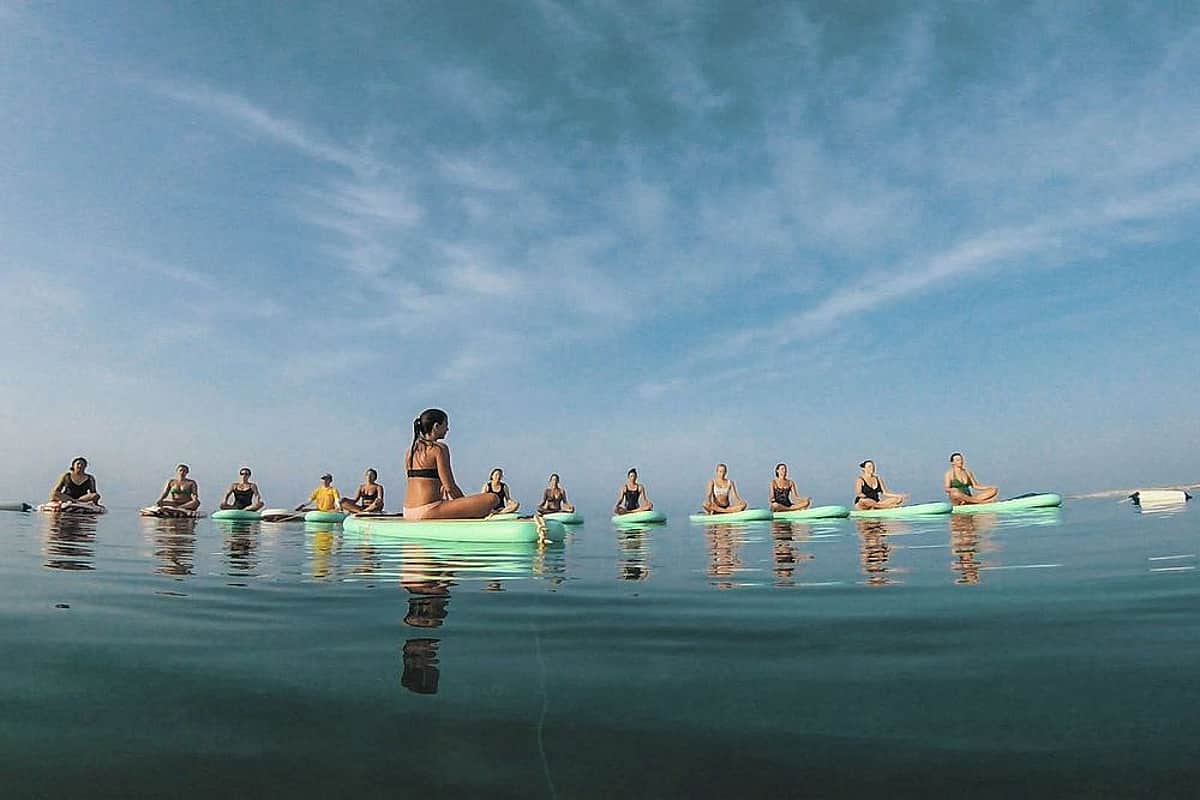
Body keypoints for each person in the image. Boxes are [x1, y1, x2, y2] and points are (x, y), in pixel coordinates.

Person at [403, 408, 519, 520]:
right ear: (436, 426)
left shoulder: (410, 452)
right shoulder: (439, 449)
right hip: (427, 511)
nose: (447, 429)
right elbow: (450, 487)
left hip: (408, 511)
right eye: (445, 424)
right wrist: (469, 507)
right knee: (492, 498)